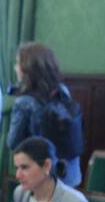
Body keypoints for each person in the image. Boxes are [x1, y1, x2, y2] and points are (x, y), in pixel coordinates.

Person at [7, 42, 84, 188]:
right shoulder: (62, 91)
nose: (15, 68)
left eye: (17, 63)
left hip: (44, 179)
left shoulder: (24, 102)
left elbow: (13, 142)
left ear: (27, 69)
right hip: (71, 174)